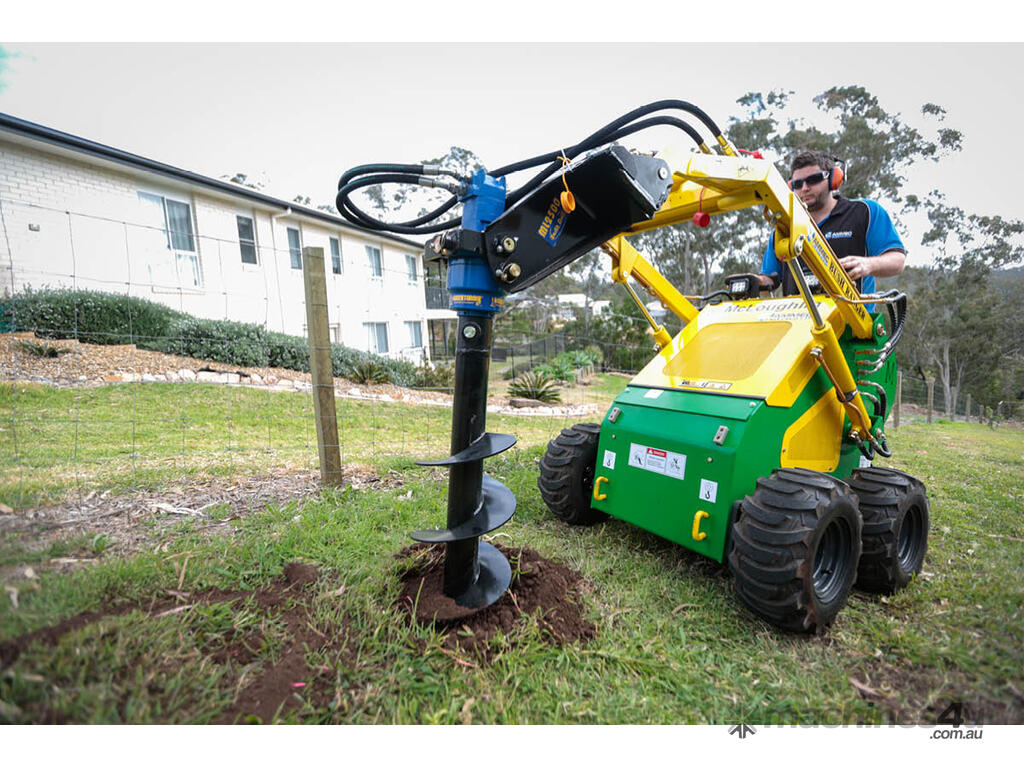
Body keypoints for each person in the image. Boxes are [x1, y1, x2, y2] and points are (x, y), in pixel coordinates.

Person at [758, 151, 906, 297]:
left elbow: (897, 261)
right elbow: (769, 279)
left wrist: (868, 265)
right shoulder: (784, 229)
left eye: (813, 179)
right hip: (798, 320)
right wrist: (751, 282)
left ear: (833, 179)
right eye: (797, 184)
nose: (804, 188)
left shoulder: (864, 212)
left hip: (854, 319)